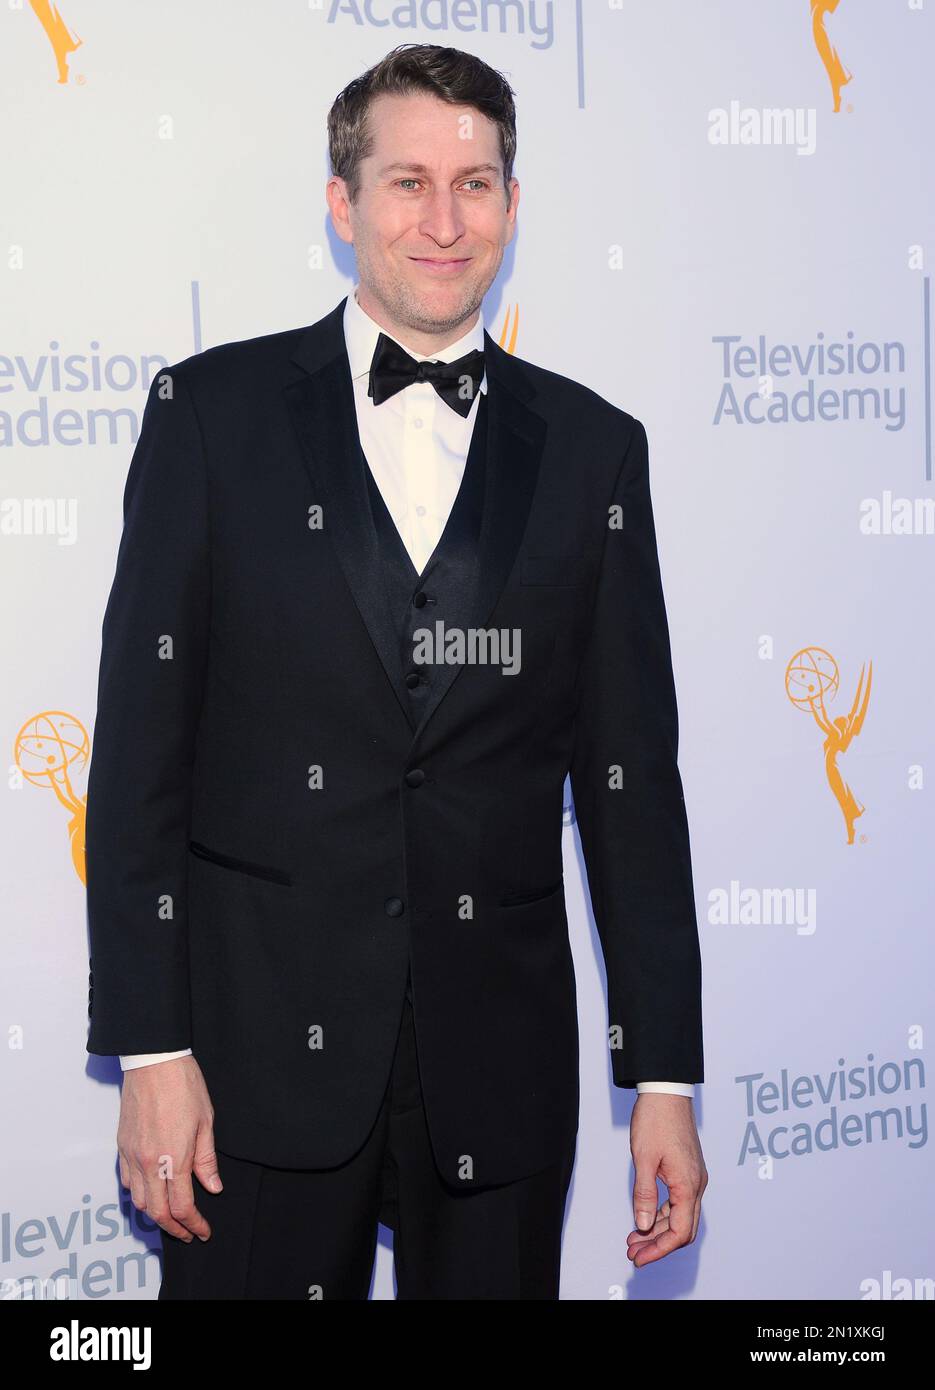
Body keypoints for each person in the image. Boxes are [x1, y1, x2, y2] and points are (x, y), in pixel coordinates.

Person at [85, 42, 707, 1300]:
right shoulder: (210, 416)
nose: (442, 219)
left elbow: (633, 785)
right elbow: (141, 759)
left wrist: (665, 1079)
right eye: (408, 181)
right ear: (341, 203)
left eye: (475, 184)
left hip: (499, 1062)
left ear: (513, 208)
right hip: (251, 1066)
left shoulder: (595, 451)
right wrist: (152, 1048)